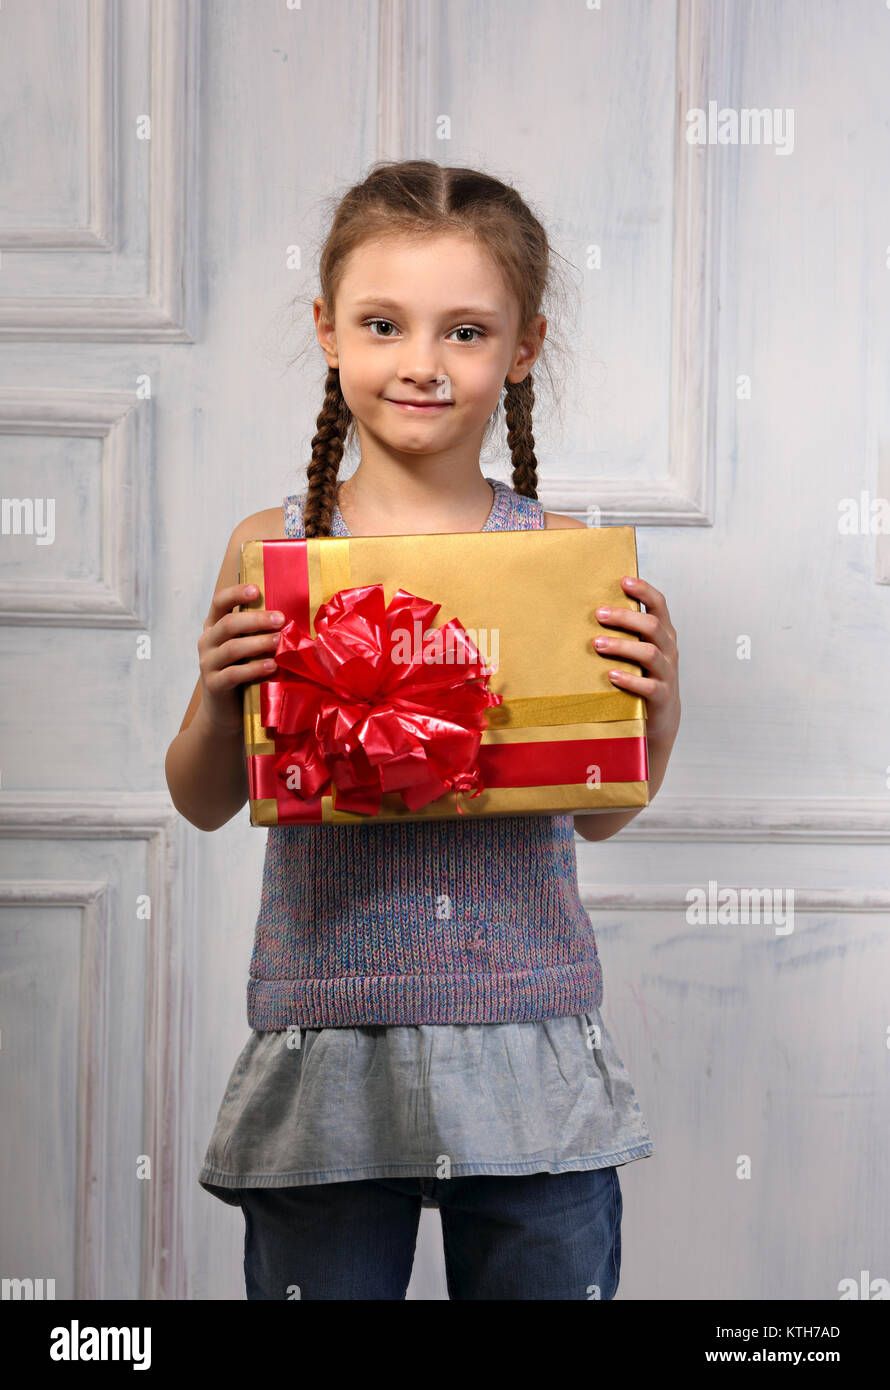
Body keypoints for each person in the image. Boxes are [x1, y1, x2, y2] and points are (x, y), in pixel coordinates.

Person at [165, 159, 681, 1301]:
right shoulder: (273, 542)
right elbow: (204, 797)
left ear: (523, 346)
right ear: (328, 331)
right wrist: (215, 697)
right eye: (384, 324)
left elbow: (598, 814)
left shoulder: (558, 554)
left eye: (464, 331)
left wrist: (657, 701)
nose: (420, 363)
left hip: (525, 1032)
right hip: (328, 1037)